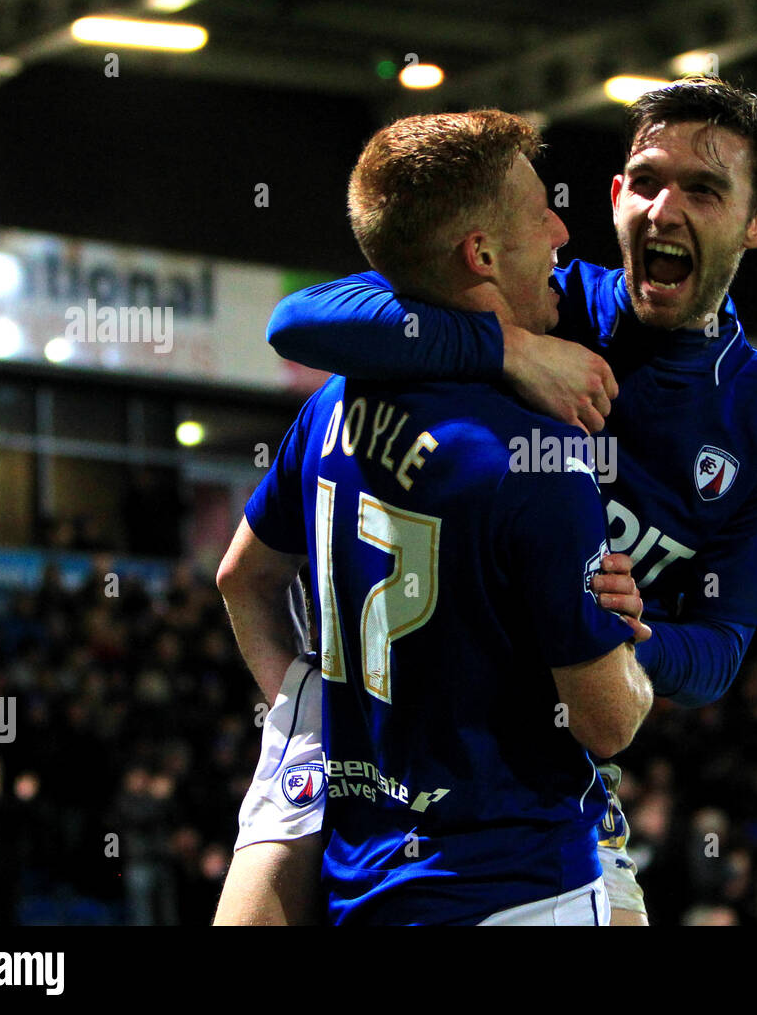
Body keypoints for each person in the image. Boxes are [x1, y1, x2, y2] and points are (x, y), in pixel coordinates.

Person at [262, 77, 757, 924]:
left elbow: (721, 648)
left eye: (702, 190)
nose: (663, 210)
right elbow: (300, 322)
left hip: (554, 780)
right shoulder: (548, 298)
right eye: (646, 179)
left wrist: (633, 635)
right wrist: (508, 348)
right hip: (385, 750)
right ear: (615, 194)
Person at [213, 109, 653, 925]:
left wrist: (308, 723)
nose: (562, 226)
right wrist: (631, 649)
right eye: (538, 212)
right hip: (516, 889)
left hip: (360, 884)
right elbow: (606, 724)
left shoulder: (330, 408)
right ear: (480, 254)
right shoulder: (543, 461)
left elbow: (241, 577)